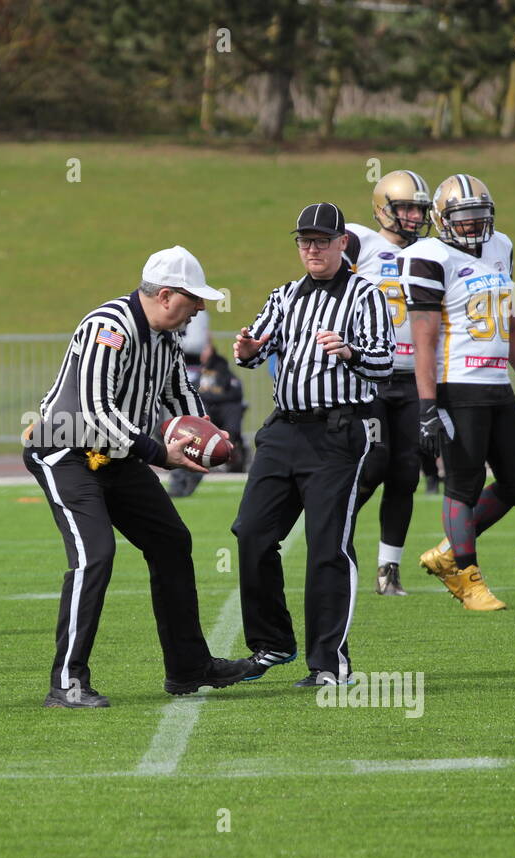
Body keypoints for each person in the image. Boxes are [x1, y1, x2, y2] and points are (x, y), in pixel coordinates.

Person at [24, 245, 257, 707]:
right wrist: (158, 452)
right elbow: (94, 411)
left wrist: (210, 436)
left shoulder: (166, 337)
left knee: (171, 540)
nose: (201, 308)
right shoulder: (108, 327)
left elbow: (179, 392)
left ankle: (189, 668)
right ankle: (67, 681)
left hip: (116, 456)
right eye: (194, 299)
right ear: (167, 295)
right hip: (67, 450)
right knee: (95, 555)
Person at [232, 202, 392, 686]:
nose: (312, 249)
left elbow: (384, 364)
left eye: (322, 241)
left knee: (328, 547)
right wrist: (246, 351)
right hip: (283, 430)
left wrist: (350, 350)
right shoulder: (285, 296)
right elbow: (256, 346)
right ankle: (272, 643)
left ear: (343, 243)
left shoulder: (366, 295)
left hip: (338, 432)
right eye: (304, 241)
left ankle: (329, 664)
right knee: (252, 532)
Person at [400, 174, 515, 611]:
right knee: (464, 484)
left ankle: (448, 551)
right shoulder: (427, 256)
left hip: (497, 383)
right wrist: (427, 405)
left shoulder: (501, 246)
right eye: (463, 218)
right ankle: (467, 578)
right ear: (443, 220)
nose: (472, 225)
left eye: (479, 217)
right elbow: (422, 340)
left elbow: (511, 322)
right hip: (455, 384)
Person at [345, 170, 433, 596]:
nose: (415, 216)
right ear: (383, 208)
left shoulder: (436, 252)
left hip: (414, 378)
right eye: (406, 207)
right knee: (374, 462)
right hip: (371, 376)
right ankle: (333, 537)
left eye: (420, 208)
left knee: (406, 472)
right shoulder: (361, 242)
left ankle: (388, 571)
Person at [166, 309, 247, 498]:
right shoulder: (176, 363)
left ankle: (190, 478)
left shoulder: (219, 367)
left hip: (209, 413)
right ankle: (179, 482)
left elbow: (235, 390)